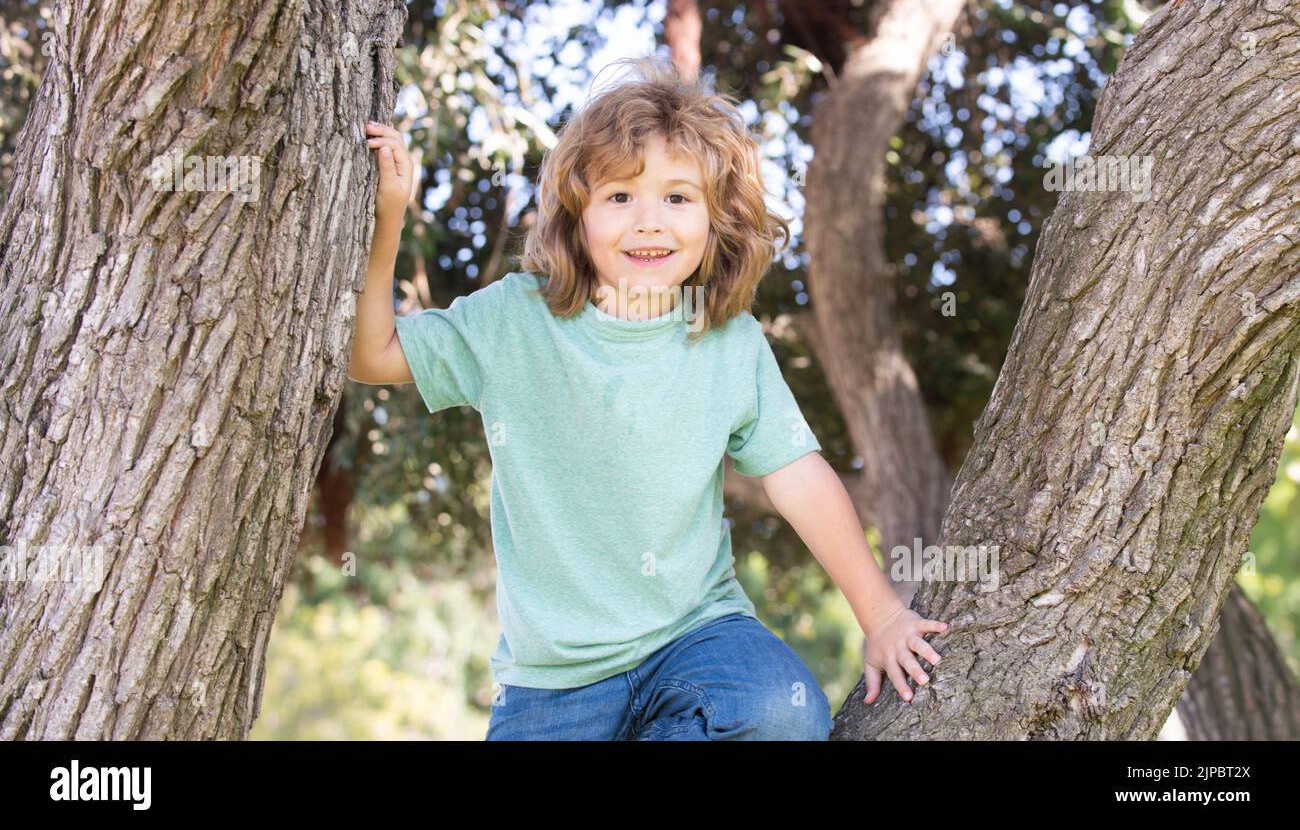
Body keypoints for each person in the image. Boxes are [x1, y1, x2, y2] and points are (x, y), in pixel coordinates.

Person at [348, 56, 949, 740]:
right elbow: (373, 356)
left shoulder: (729, 342)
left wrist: (881, 616)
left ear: (717, 217)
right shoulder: (514, 319)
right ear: (578, 215)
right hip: (552, 686)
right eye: (620, 196)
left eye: (677, 197)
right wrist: (388, 222)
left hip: (696, 640)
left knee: (781, 709)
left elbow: (798, 478)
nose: (648, 222)